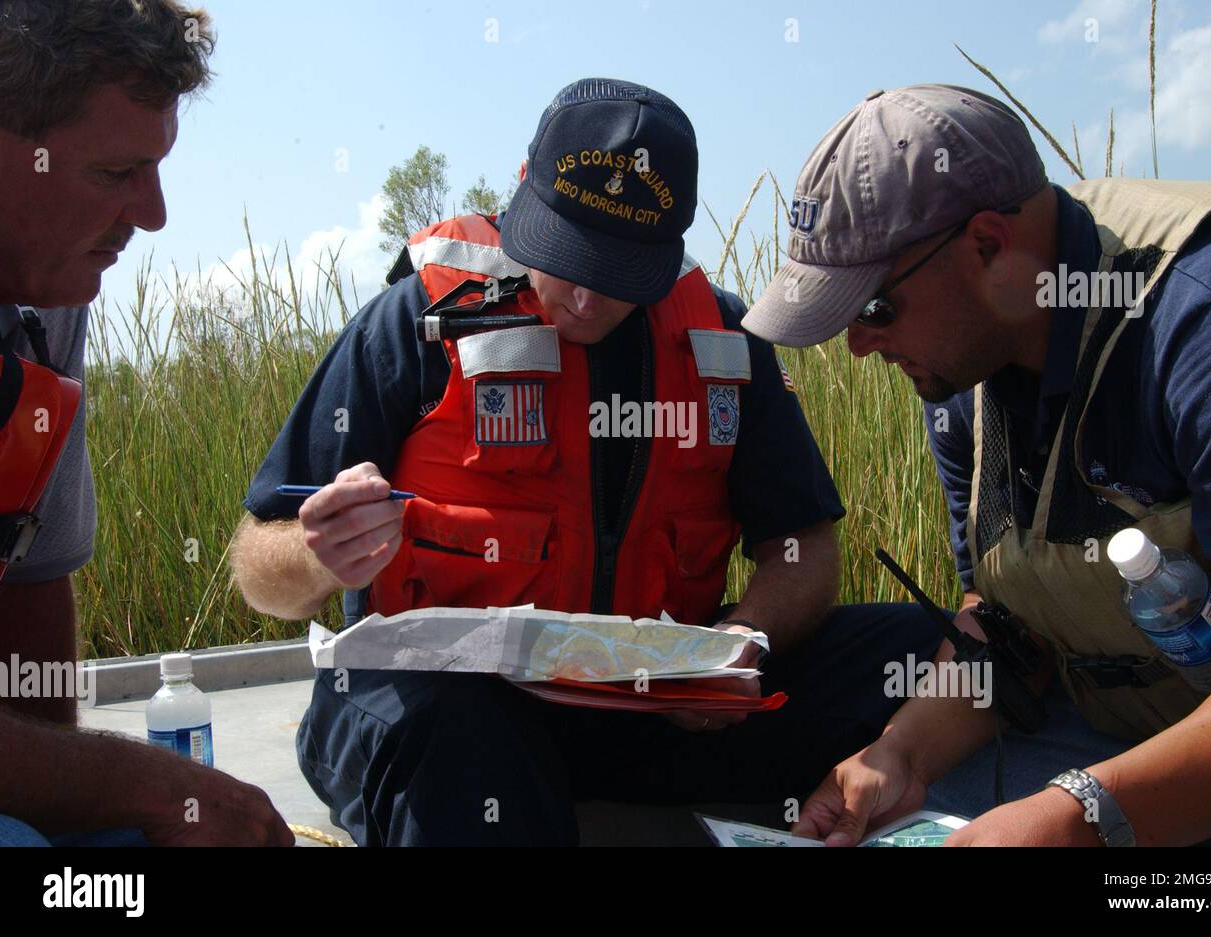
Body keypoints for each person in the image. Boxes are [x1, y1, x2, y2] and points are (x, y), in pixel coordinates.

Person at [229, 77, 942, 846]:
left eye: (618, 272)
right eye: (564, 255)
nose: (582, 297)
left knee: (910, 645)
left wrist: (743, 640)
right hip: (449, 706)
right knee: (457, 738)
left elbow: (806, 550)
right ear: (525, 189)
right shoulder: (417, 323)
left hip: (657, 718)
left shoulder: (724, 341)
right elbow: (257, 563)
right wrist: (317, 553)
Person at [742, 83, 1211, 846]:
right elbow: (1006, 628)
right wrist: (900, 751)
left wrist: (1078, 818)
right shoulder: (963, 382)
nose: (857, 346)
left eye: (873, 309)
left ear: (989, 245)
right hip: (1122, 744)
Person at [0, 0, 292, 847]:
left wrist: (94, 804)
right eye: (114, 172)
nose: (154, 213)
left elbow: (28, 579)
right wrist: (138, 782)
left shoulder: (43, 301)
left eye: (156, 167)